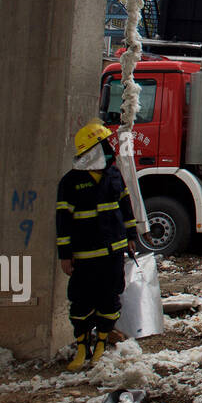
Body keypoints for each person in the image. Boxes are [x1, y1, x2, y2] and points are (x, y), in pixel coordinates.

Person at [57, 121, 139, 370]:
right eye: (102, 145)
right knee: (81, 303)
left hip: (112, 253)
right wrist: (65, 255)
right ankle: (82, 347)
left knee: (110, 300)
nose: (108, 150)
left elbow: (126, 208)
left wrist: (131, 237)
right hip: (85, 255)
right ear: (90, 150)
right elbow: (63, 221)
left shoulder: (113, 175)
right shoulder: (70, 182)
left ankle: (101, 343)